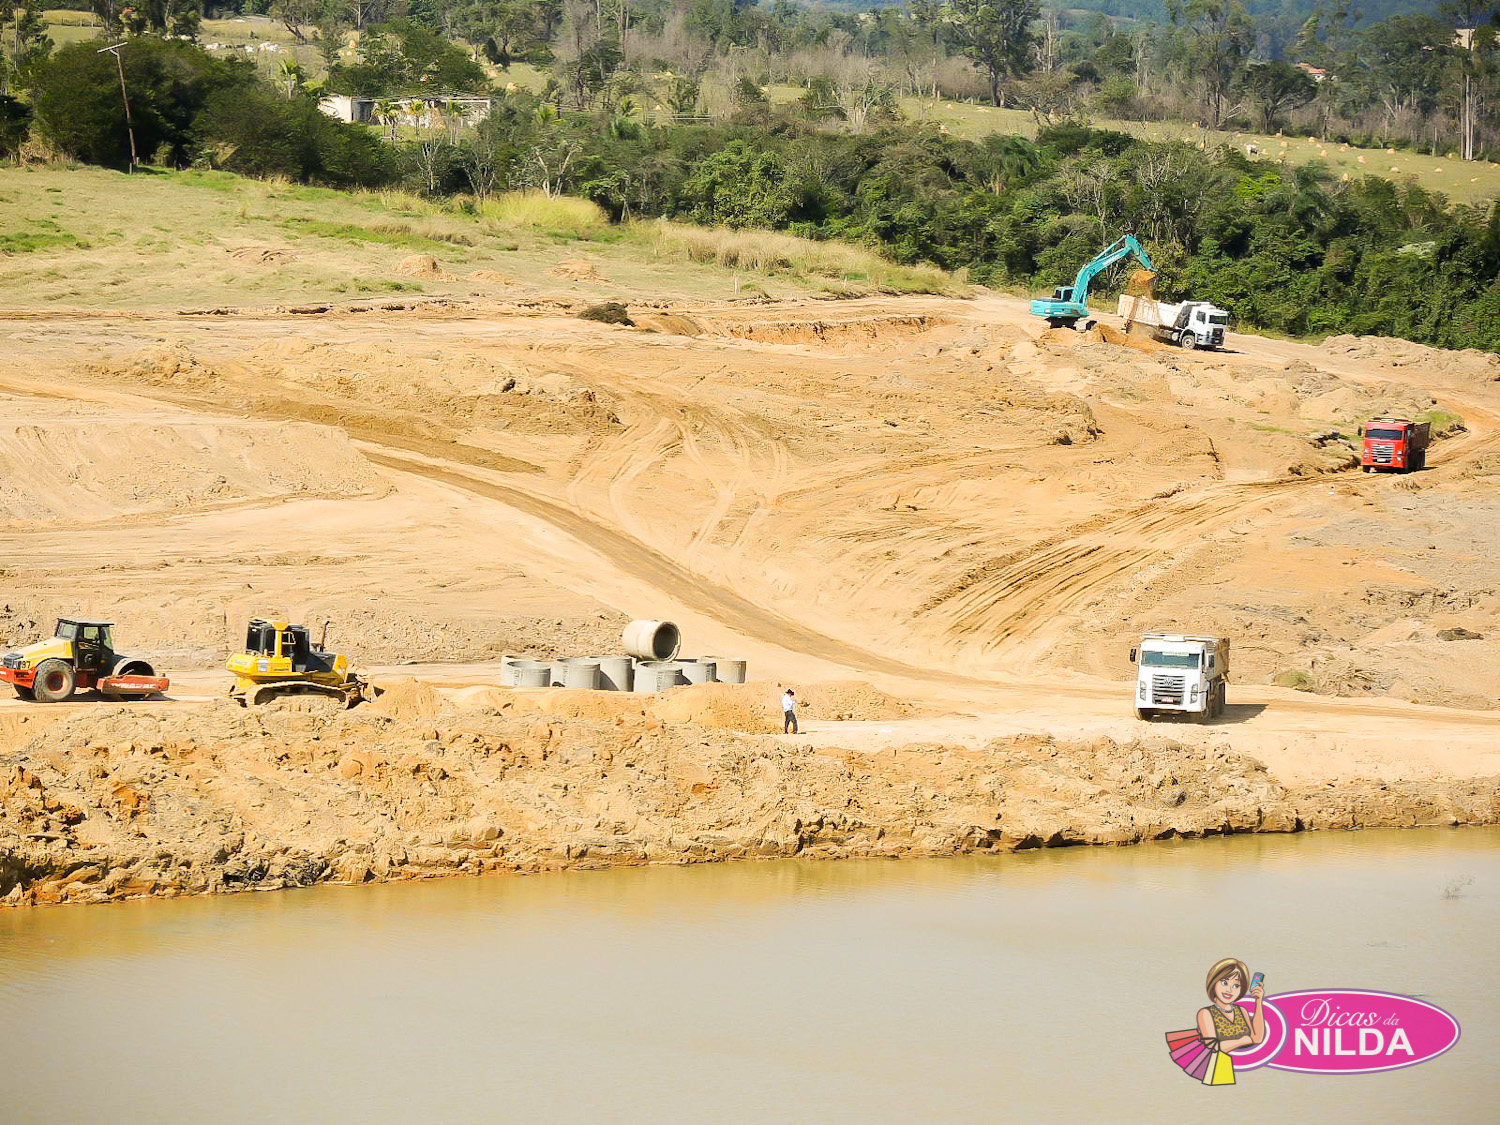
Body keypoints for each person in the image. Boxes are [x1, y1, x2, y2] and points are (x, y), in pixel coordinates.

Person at [1197, 958, 1266, 1051]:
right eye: (1224, 983)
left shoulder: (1241, 1010)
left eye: (1236, 986)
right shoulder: (1205, 1013)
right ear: (1213, 982)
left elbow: (1257, 1039)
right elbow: (1212, 1046)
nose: (1229, 990)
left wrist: (1258, 1001)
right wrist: (1242, 1041)